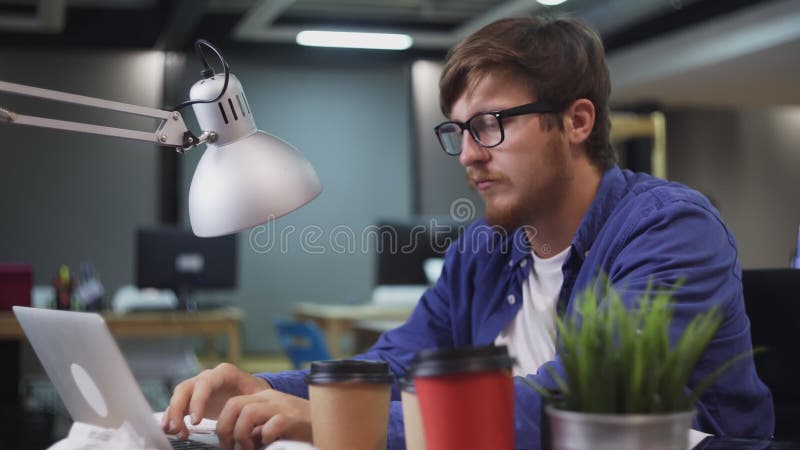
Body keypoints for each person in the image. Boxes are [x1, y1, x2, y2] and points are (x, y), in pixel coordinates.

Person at [163, 16, 774, 450]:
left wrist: (338, 424)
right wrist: (267, 387)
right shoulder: (485, 248)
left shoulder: (670, 229)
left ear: (577, 121)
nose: (468, 155)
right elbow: (398, 364)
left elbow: (585, 401)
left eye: (489, 125)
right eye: (457, 132)